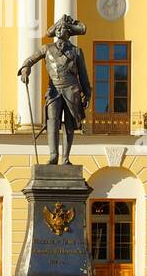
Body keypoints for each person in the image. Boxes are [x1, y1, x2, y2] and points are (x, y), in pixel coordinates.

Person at [17, 14, 91, 165]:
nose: (59, 30)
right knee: (52, 121)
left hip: (72, 90)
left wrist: (87, 94)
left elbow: (83, 75)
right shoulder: (47, 48)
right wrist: (25, 70)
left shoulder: (77, 52)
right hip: (54, 90)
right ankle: (53, 155)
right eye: (57, 28)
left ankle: (65, 158)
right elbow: (30, 60)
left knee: (69, 124)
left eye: (63, 28)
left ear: (69, 33)